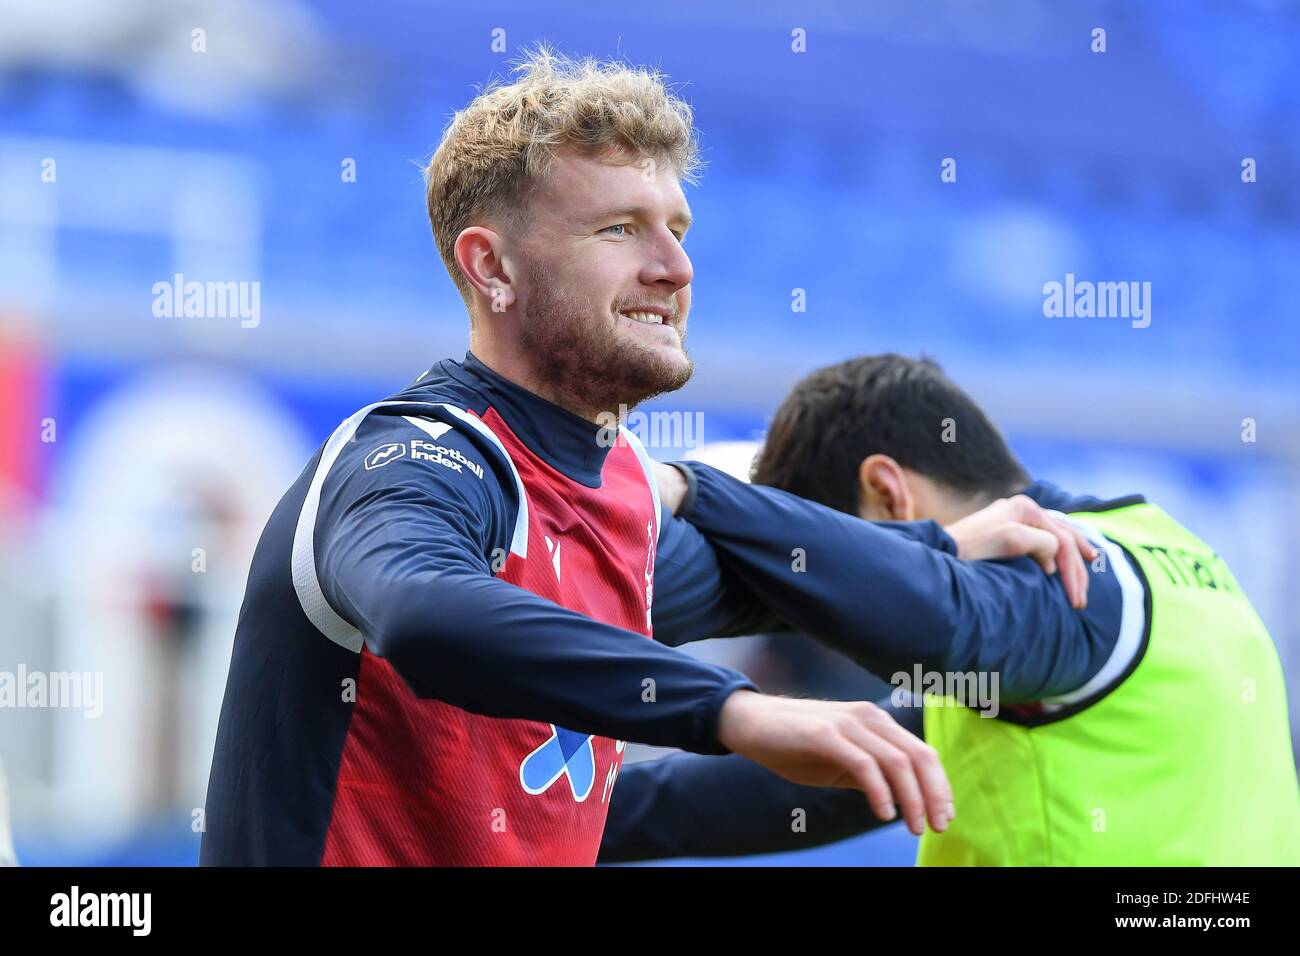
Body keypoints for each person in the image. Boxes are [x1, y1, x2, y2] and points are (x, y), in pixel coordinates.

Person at [200, 49, 1093, 865]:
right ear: (492, 268)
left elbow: (773, 589)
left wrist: (939, 557)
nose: (674, 266)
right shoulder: (411, 455)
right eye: (620, 229)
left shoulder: (619, 494)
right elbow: (429, 616)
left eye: (678, 227)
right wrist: (730, 710)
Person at [600, 354, 1300, 865]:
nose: (818, 625)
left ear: (888, 495)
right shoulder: (1177, 557)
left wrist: (686, 489)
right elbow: (835, 777)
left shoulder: (1065, 574)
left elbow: (930, 618)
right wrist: (544, 820)